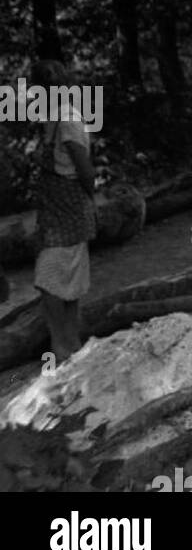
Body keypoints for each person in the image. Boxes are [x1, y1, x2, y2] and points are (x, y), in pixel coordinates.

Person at [29, 59, 96, 362]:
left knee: (53, 273)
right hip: (54, 204)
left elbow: (83, 168)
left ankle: (65, 341)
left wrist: (91, 191)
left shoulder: (69, 119)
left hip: (68, 201)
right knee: (59, 273)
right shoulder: (53, 119)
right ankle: (67, 341)